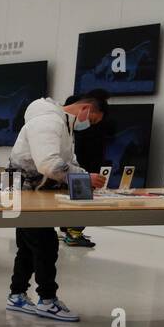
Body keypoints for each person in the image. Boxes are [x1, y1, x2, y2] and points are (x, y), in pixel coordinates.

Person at [4, 90, 108, 323]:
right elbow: (49, 164)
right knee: (45, 245)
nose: (89, 126)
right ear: (85, 109)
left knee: (28, 247)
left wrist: (85, 178)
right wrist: (84, 178)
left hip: (31, 194)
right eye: (92, 120)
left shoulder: (63, 125)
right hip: (26, 194)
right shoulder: (48, 121)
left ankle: (17, 295)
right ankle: (47, 300)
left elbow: (68, 162)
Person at [57, 92, 106, 248]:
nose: (90, 124)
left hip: (77, 167)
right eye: (92, 120)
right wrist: (83, 174)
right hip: (78, 169)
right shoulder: (60, 123)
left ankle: (72, 231)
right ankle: (73, 233)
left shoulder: (71, 127)